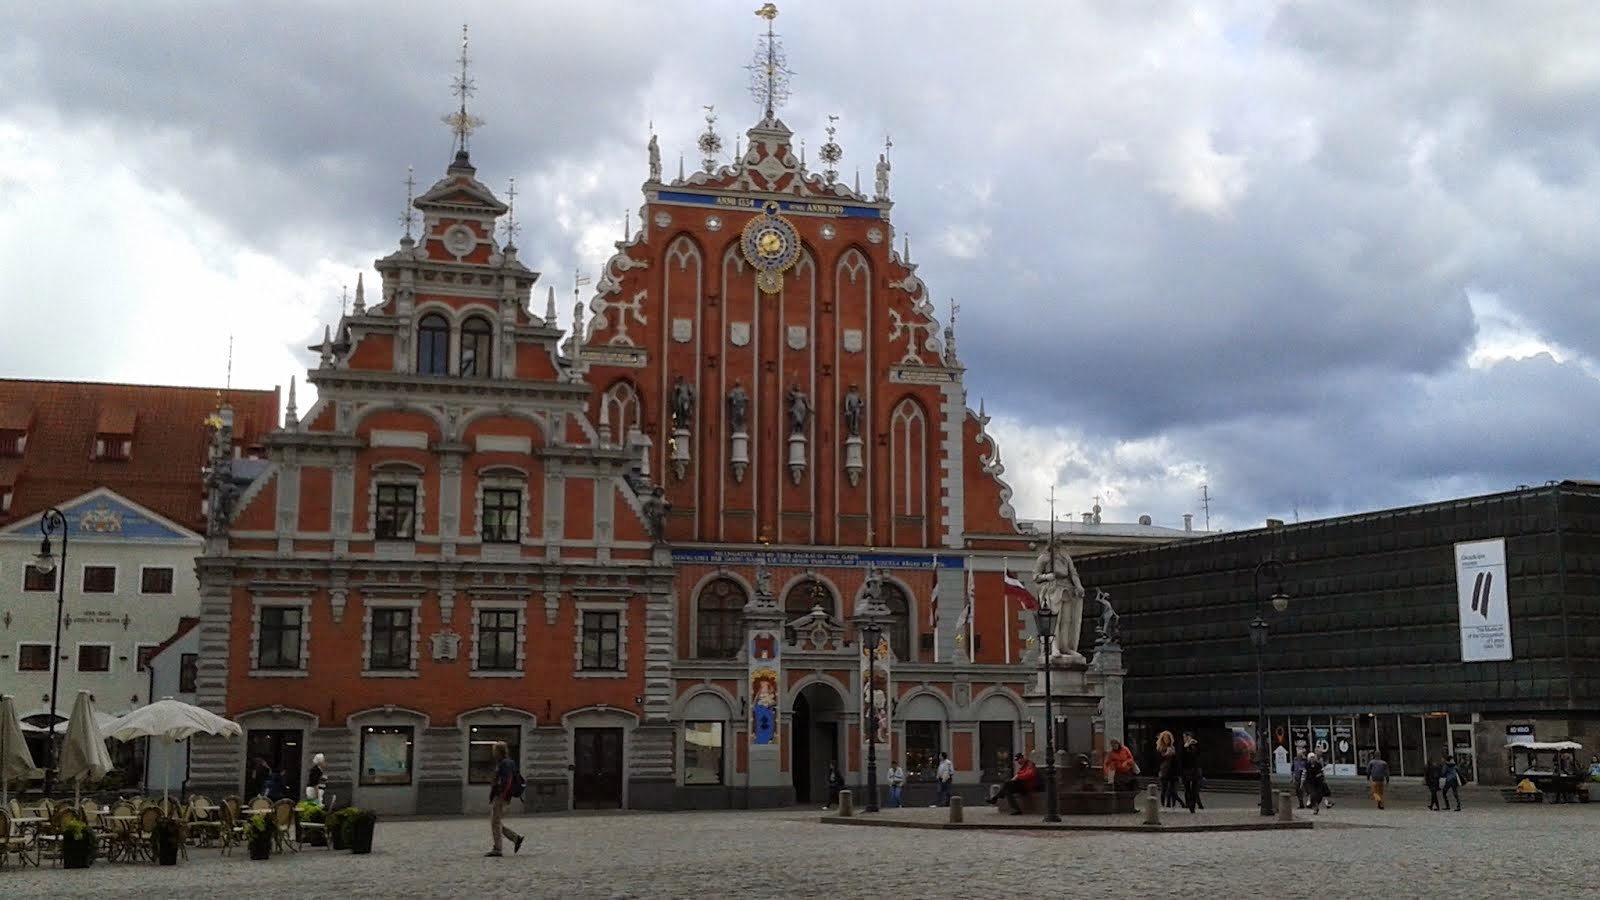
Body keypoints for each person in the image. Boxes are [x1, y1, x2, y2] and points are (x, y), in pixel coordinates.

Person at [486, 741, 524, 857]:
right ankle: (515, 838)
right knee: (496, 822)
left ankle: (498, 848)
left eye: (494, 750)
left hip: (501, 795)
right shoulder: (506, 762)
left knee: (495, 822)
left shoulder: (505, 763)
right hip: (501, 795)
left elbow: (507, 781)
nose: (493, 752)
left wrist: (502, 795)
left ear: (499, 751)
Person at [1177, 732, 1204, 813]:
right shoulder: (1182, 746)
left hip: (1194, 770)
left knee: (1194, 789)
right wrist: (1185, 747)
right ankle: (1189, 804)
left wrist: (1197, 744)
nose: (1185, 739)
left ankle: (1193, 806)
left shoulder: (1194, 745)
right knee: (1187, 789)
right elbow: (1180, 758)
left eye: (1187, 737)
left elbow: (1199, 754)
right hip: (1185, 770)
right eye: (1184, 737)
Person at [1156, 731, 1180, 808]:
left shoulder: (1172, 747)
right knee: (1164, 789)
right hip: (1164, 770)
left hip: (1172, 770)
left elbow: (1176, 760)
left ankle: (1171, 804)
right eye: (1165, 738)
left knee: (1172, 790)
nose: (1167, 740)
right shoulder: (1159, 748)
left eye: (1168, 738)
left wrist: (1173, 754)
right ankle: (1163, 805)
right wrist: (1166, 754)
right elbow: (1157, 760)